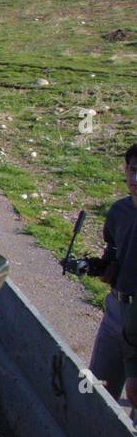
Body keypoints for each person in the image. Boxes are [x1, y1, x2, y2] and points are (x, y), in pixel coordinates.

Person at [77, 143, 137, 403]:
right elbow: (113, 255)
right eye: (133, 170)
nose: (135, 179)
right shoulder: (119, 212)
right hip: (116, 311)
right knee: (97, 393)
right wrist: (99, 268)